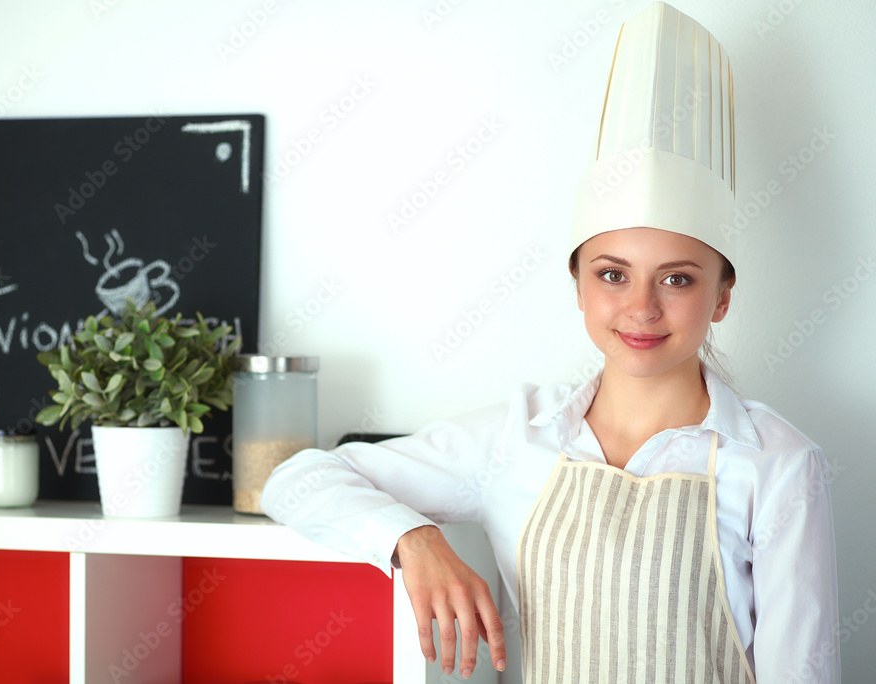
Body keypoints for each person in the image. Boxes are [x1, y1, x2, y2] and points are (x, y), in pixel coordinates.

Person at [261, 3, 840, 682]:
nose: (641, 307)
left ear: (721, 295)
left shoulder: (778, 464)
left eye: (677, 279)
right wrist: (413, 540)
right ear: (578, 287)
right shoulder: (519, 435)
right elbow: (295, 479)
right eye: (612, 274)